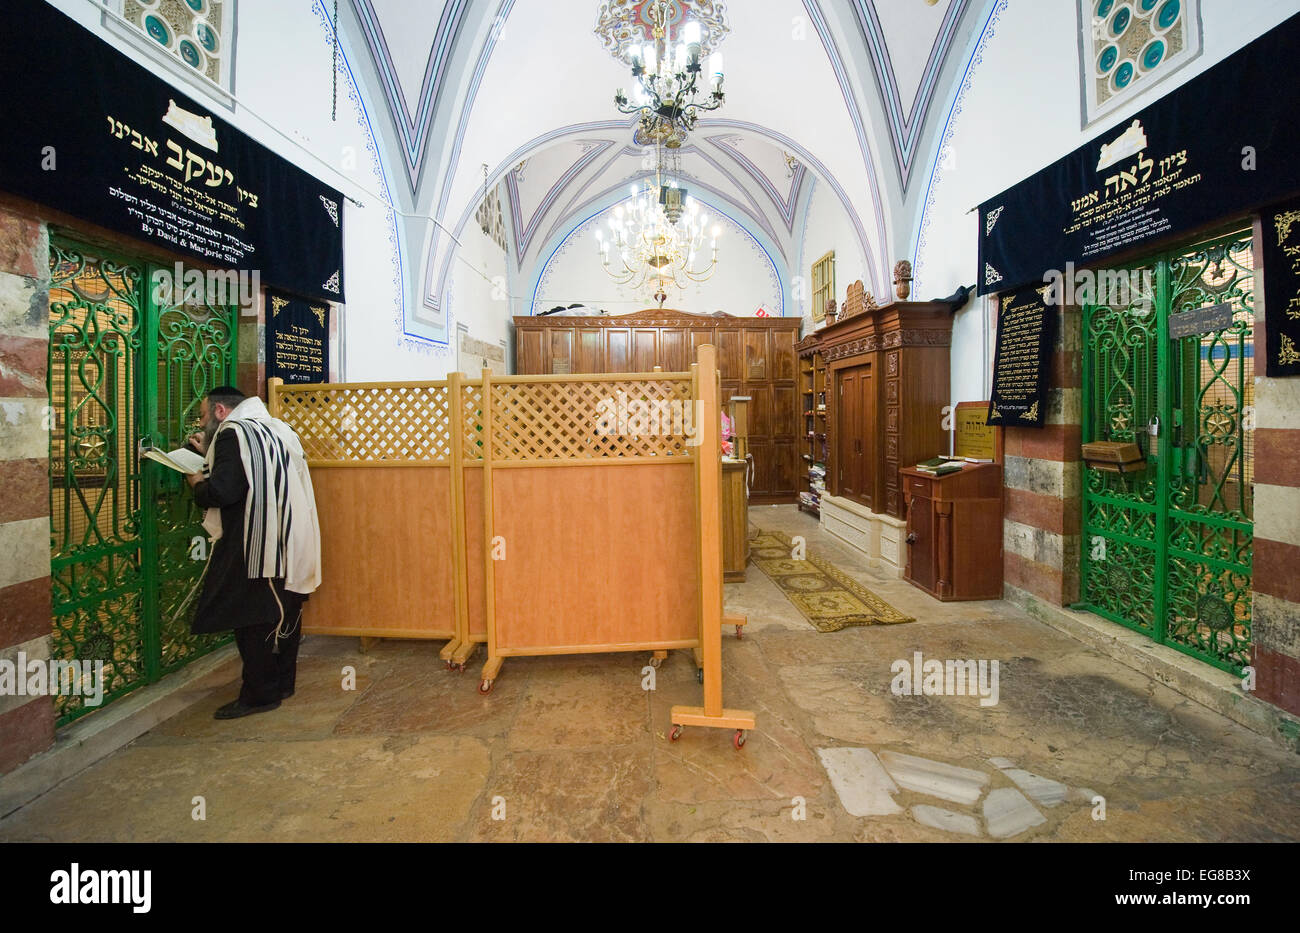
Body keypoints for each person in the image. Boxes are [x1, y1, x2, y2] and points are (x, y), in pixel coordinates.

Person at [184, 386, 321, 719]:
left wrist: (195, 480)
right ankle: (282, 683)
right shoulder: (277, 428)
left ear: (220, 411)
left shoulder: (234, 433)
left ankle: (260, 694)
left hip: (257, 543)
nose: (202, 423)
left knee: (253, 619)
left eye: (203, 415)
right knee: (286, 612)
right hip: (293, 536)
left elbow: (225, 491)